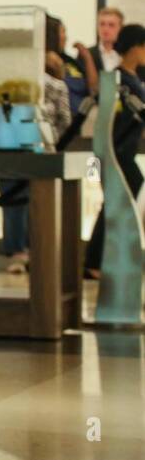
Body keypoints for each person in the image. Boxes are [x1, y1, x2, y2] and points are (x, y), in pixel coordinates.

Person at [0, 50, 73, 273]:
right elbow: (65, 122)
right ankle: (35, 251)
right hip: (37, 151)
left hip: (12, 149)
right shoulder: (56, 86)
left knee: (16, 204)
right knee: (29, 203)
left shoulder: (8, 84)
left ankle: (19, 252)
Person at [85, 23, 145, 276]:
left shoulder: (132, 78)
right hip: (115, 153)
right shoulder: (120, 79)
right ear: (135, 48)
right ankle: (95, 260)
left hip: (124, 152)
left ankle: (101, 259)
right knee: (118, 202)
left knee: (119, 202)